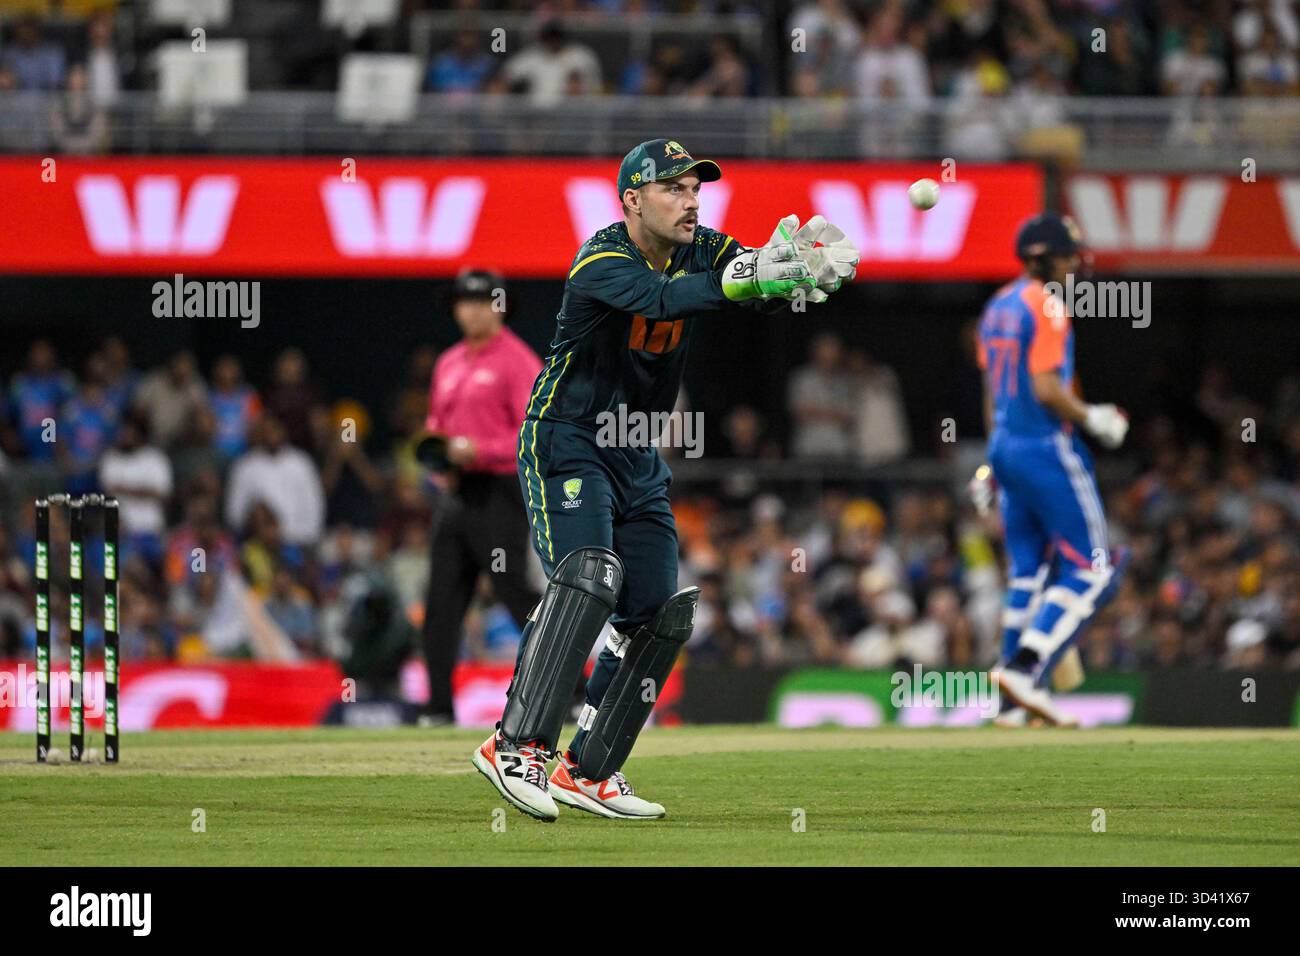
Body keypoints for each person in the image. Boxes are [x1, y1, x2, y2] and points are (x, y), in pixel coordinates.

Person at [470, 138, 859, 821]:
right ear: (631, 201)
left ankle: (588, 771)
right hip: (568, 435)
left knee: (659, 614)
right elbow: (667, 298)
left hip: (636, 450)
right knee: (590, 574)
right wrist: (751, 278)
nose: (691, 200)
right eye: (674, 189)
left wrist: (790, 277)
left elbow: (743, 282)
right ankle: (515, 745)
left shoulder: (698, 244)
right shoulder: (601, 261)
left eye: (694, 188)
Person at [973, 213, 1130, 726]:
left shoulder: (997, 305)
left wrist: (993, 462)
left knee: (1028, 573)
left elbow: (993, 394)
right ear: (1045, 259)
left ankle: (1009, 706)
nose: (1073, 268)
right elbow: (1044, 387)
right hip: (1045, 447)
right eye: (1067, 258)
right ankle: (1025, 669)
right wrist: (1094, 417)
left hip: (1005, 445)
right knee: (1094, 567)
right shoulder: (1047, 306)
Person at [418, 268, 543, 725]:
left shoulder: (516, 360)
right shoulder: (449, 362)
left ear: (500, 307)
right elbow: (437, 422)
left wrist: (479, 449)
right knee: (441, 603)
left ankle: (570, 692)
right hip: (456, 493)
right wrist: (438, 458)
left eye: (480, 301)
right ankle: (437, 707)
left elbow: (533, 434)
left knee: (515, 596)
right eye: (462, 302)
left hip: (499, 491)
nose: (469, 310)